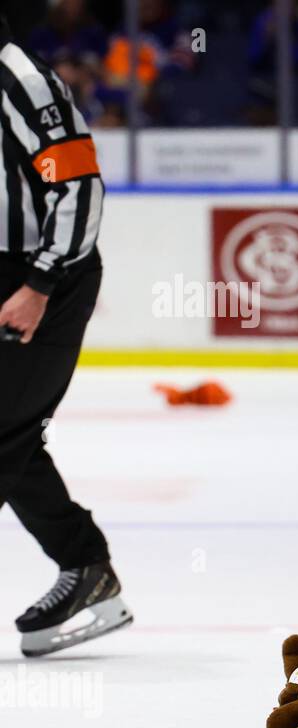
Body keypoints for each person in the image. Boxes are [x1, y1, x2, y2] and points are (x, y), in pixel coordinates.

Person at [0, 13, 130, 656]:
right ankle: (87, 567)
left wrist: (40, 284)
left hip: (45, 278)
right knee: (12, 432)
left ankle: (87, 566)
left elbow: (77, 187)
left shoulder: (22, 79)